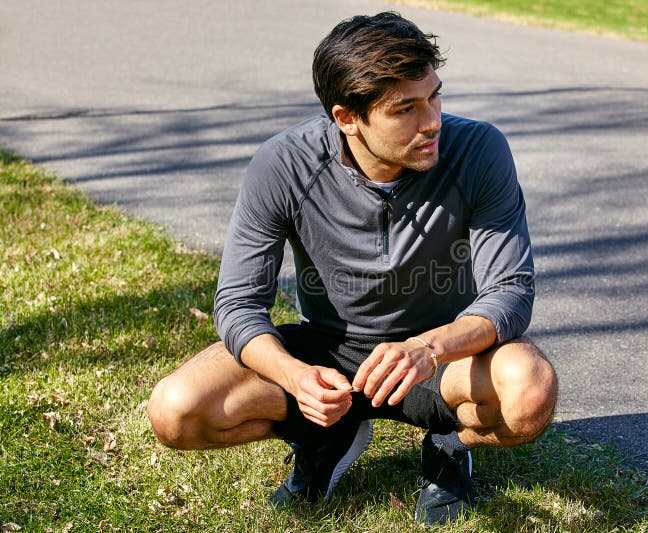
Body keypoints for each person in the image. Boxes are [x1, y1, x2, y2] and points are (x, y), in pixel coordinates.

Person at [147, 11, 557, 525]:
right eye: (405, 108)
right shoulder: (283, 165)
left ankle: (449, 443)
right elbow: (237, 305)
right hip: (328, 352)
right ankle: (328, 434)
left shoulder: (478, 149)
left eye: (434, 96)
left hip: (440, 358)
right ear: (347, 118)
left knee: (528, 390)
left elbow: (510, 291)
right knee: (176, 410)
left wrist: (429, 348)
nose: (431, 120)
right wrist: (295, 376)